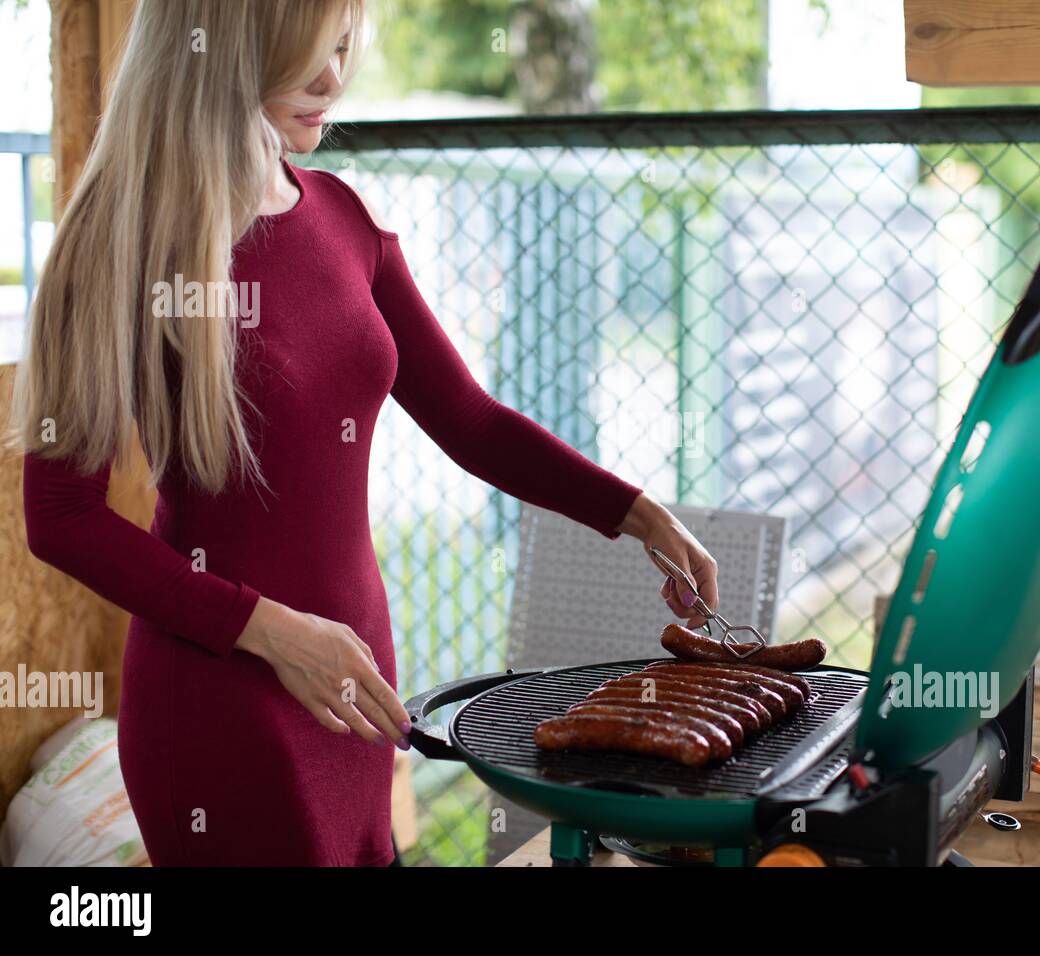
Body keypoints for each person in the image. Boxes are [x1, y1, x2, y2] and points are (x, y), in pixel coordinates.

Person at [9, 0, 718, 866]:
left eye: (343, 48)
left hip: (352, 685)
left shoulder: (342, 216)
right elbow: (60, 518)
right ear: (225, 52)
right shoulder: (117, 242)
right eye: (307, 52)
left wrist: (638, 514)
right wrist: (273, 632)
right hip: (224, 708)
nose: (332, 79)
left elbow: (469, 419)